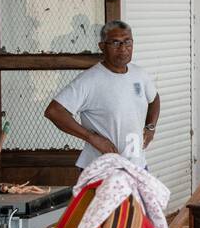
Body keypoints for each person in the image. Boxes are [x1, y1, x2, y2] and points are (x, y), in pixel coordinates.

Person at [44, 20, 160, 169]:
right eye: (116, 43)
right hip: (102, 169)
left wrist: (150, 127)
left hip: (137, 166)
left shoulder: (140, 74)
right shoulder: (89, 80)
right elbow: (54, 111)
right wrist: (92, 138)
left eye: (127, 42)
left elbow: (154, 98)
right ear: (102, 46)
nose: (123, 49)